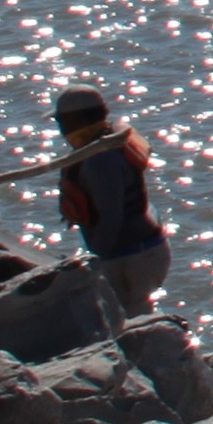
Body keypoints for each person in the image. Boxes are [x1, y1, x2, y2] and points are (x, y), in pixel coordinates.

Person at [50, 85, 169, 317]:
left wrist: (96, 262)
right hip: (144, 248)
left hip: (132, 257)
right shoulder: (110, 140)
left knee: (131, 322)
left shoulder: (100, 160)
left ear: (78, 120)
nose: (61, 128)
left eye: (62, 121)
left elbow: (111, 215)